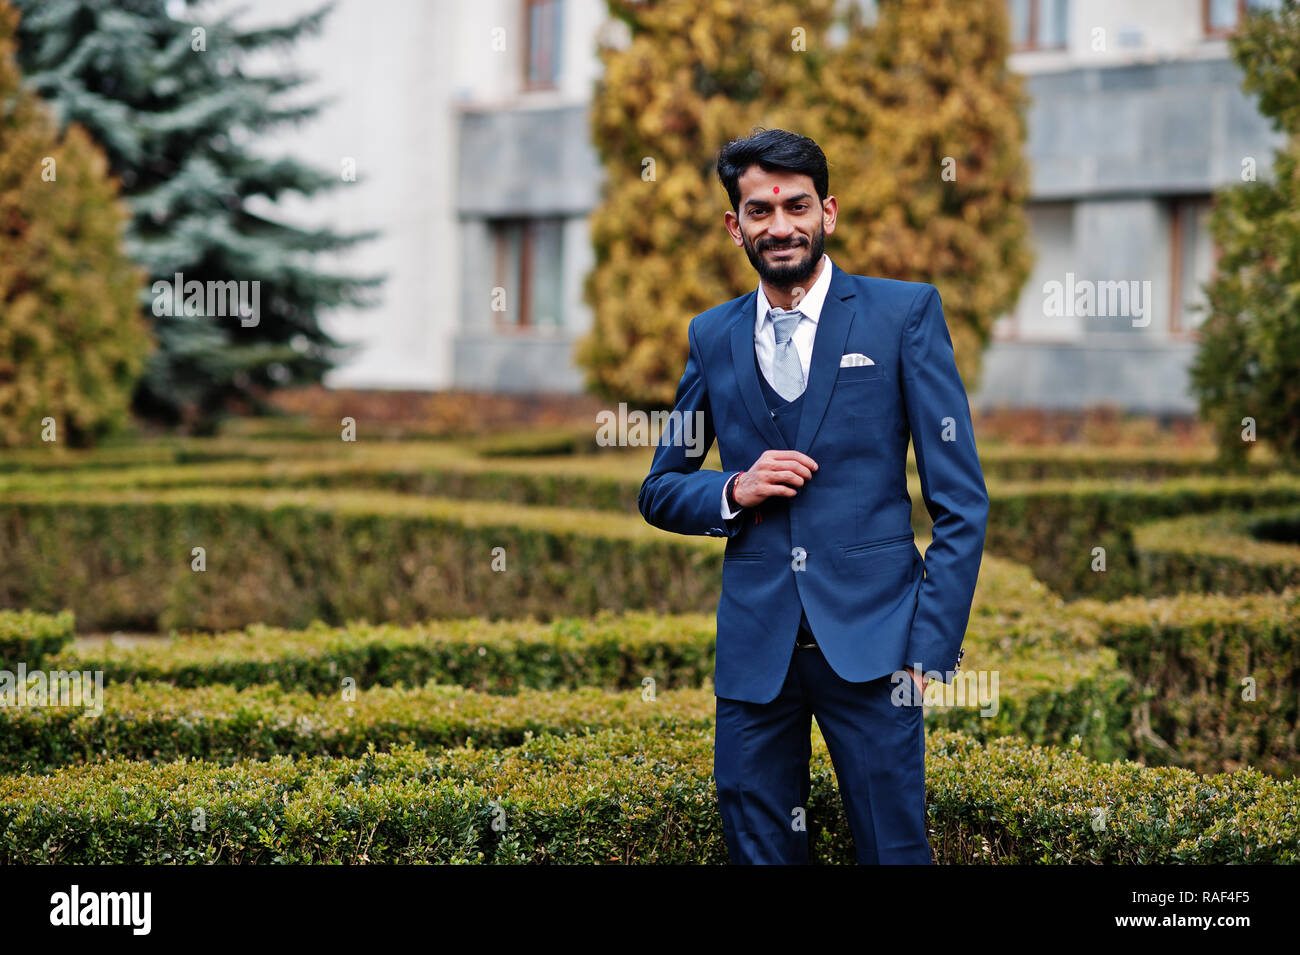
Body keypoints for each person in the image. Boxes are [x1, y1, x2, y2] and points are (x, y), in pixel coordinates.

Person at [637, 128, 989, 864]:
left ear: (827, 211)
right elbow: (660, 486)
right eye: (759, 211)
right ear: (736, 226)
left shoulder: (904, 315)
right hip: (755, 653)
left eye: (796, 206)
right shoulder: (712, 335)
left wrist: (932, 647)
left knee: (894, 851)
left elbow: (961, 502)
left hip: (876, 647)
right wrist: (733, 488)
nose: (780, 225)